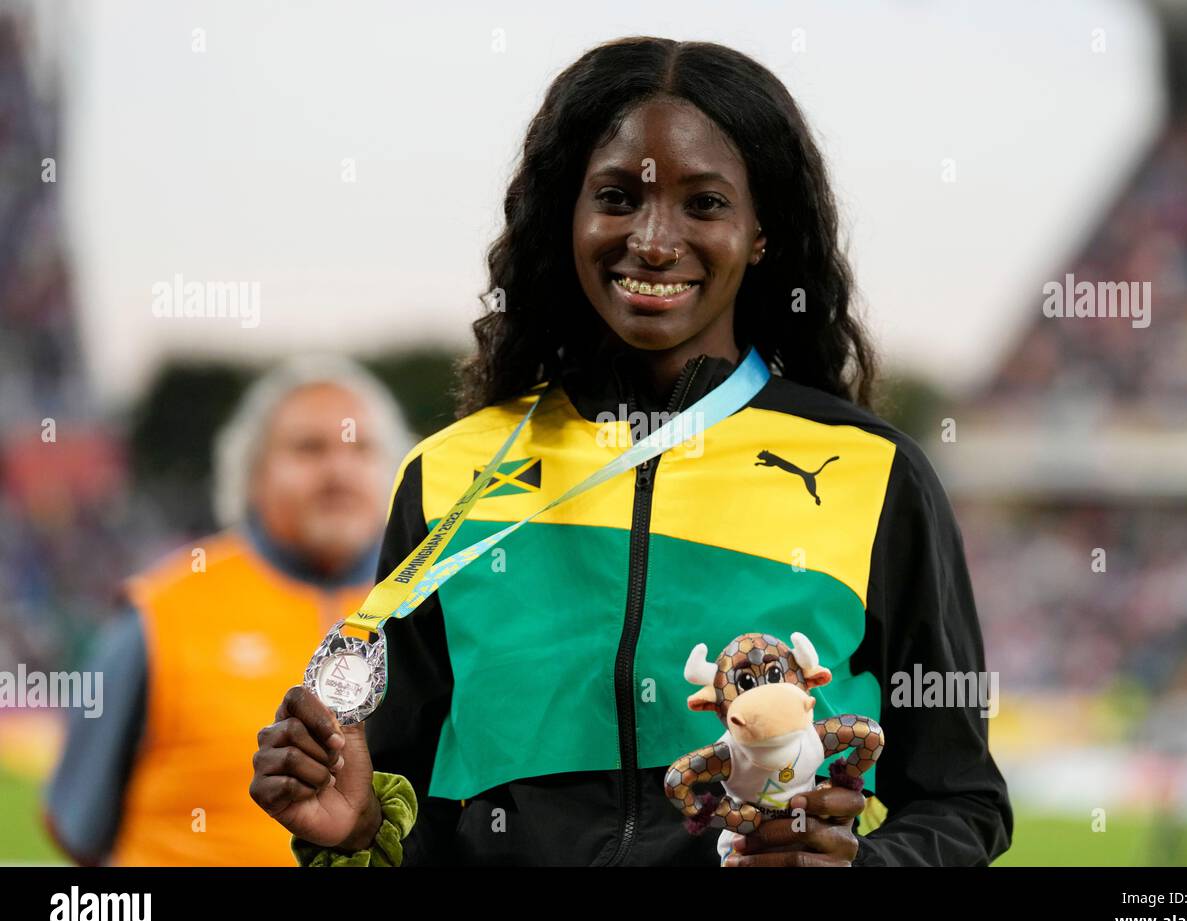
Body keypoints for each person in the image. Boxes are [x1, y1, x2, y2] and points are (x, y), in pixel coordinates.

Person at [250, 36, 1013, 867]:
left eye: (706, 204)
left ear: (763, 232)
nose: (652, 240)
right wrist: (359, 835)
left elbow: (961, 802)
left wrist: (860, 867)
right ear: (566, 218)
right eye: (616, 197)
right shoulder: (447, 479)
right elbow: (401, 806)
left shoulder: (876, 474)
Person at [44, 355, 411, 865]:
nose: (338, 469)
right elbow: (76, 825)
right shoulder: (158, 612)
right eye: (309, 448)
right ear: (252, 474)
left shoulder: (433, 616)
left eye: (362, 449)